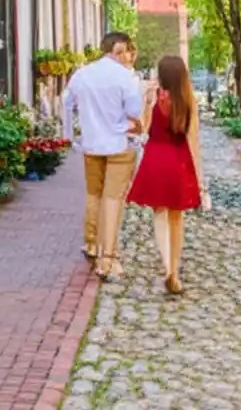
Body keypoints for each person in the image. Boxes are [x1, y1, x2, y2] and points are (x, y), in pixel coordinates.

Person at [62, 32, 145, 280]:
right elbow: (134, 113)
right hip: (119, 143)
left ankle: (91, 242)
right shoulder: (125, 77)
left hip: (91, 144)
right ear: (120, 50)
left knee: (94, 194)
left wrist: (70, 136)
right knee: (113, 199)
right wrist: (135, 127)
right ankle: (107, 258)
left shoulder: (83, 74)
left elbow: (66, 102)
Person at [127, 55, 210, 295]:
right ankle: (175, 268)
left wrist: (146, 102)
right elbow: (193, 140)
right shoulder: (188, 100)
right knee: (177, 218)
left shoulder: (156, 98)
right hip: (178, 160)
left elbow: (143, 127)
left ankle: (166, 267)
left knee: (160, 214)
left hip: (155, 159)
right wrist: (199, 177)